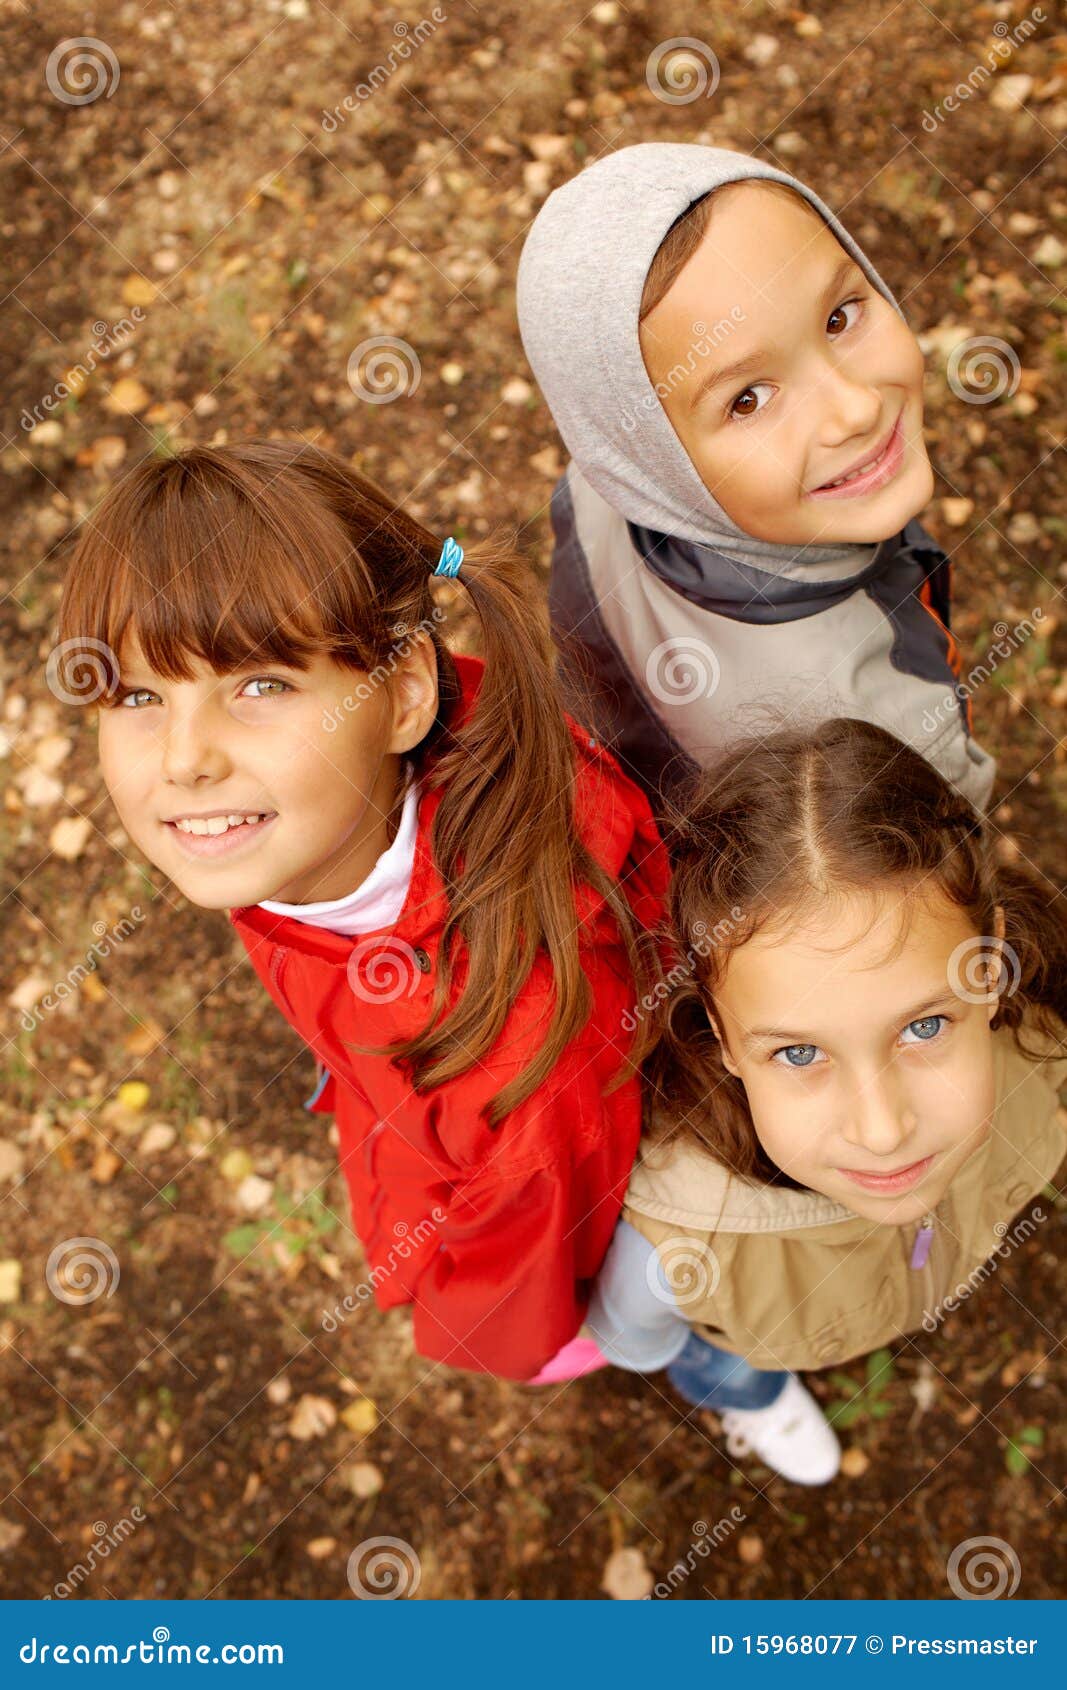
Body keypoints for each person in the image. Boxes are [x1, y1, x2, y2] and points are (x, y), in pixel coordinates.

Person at [54, 439, 670, 1383]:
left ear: (406, 695)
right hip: (435, 1138)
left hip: (589, 1231)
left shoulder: (517, 1054)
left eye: (260, 685)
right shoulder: (300, 828)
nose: (183, 760)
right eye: (138, 693)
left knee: (674, 1326)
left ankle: (732, 1379)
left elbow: (526, 1256)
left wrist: (479, 1329)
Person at [584, 717, 1066, 1484]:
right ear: (721, 1033)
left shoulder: (1040, 1040)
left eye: (925, 1025)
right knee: (726, 1366)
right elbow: (633, 1336)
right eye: (799, 1053)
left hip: (908, 1279)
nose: (882, 1132)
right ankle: (749, 1393)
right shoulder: (674, 1247)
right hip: (740, 1341)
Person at [516, 142, 996, 818]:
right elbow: (941, 888)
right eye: (747, 399)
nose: (854, 408)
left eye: (839, 317)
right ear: (644, 460)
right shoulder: (884, 748)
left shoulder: (597, 488)